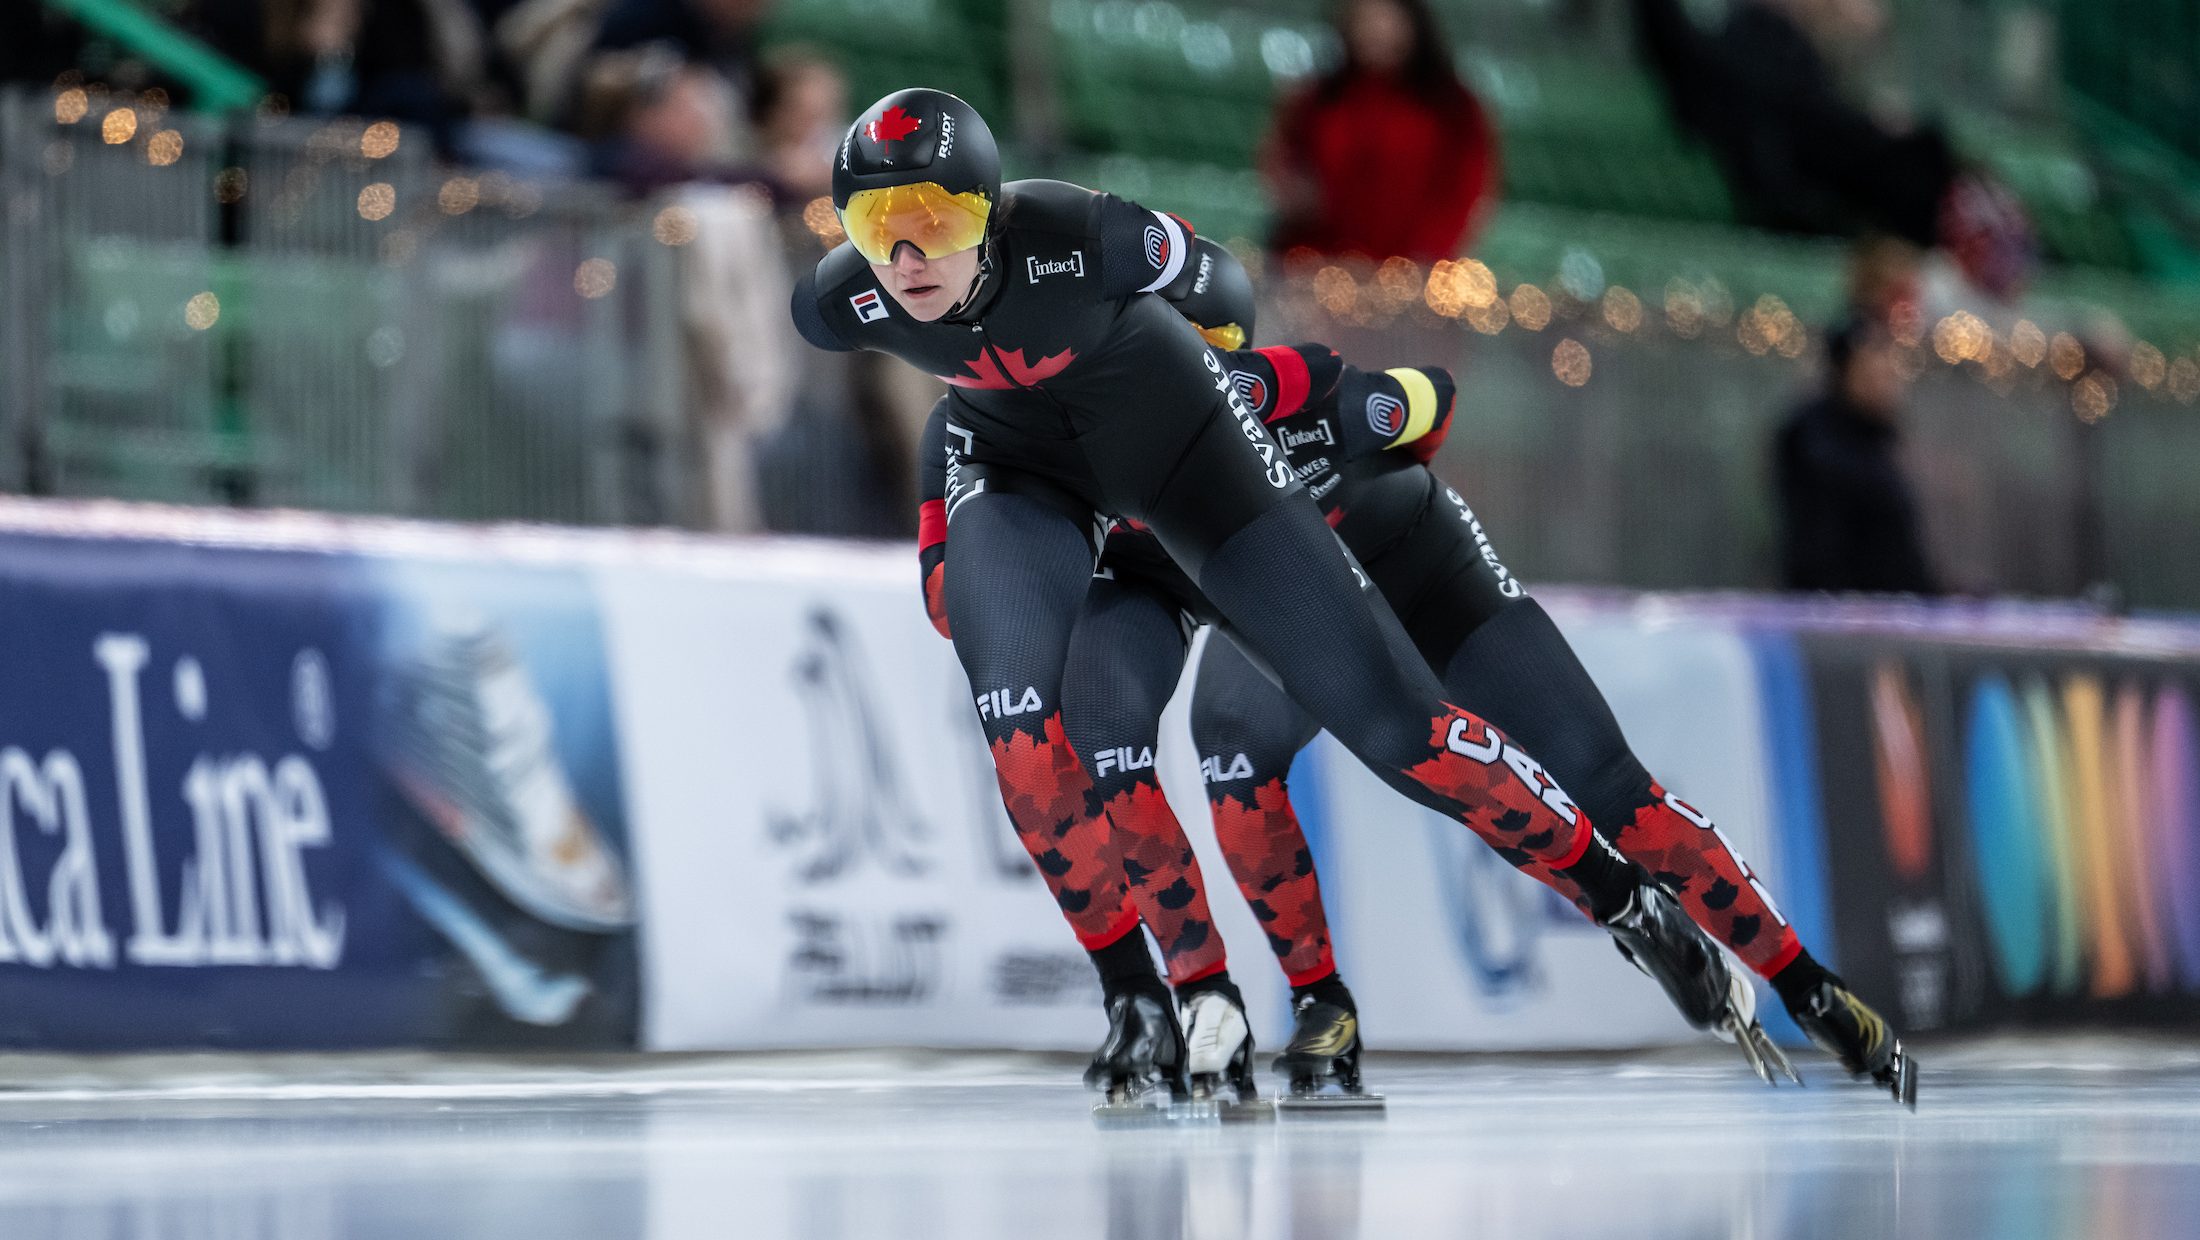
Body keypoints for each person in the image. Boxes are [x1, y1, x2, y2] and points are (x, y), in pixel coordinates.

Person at [793, 88, 1741, 1106]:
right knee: (1023, 726)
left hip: (1189, 459)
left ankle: (1620, 895)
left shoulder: (1083, 235)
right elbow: (950, 595)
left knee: (1397, 725)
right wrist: (973, 568)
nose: (906, 261)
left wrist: (1224, 380)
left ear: (992, 212)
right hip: (1028, 473)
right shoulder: (837, 301)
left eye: (934, 221)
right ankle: (1142, 998)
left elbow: (1224, 292)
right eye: (876, 228)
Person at [922, 237, 1918, 1107]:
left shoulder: (1280, 389)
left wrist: (1372, 418)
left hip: (1425, 572)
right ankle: (1282, 1001)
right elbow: (1009, 591)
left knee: (1606, 782)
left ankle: (1800, 978)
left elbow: (1429, 406)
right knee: (1220, 746)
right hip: (1290, 600)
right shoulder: (1054, 453)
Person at [1261, 0, 1498, 265]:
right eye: (1362, 20)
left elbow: (1466, 190)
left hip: (1410, 272)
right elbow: (1283, 168)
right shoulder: (1321, 99)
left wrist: (1422, 259)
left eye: (1383, 19)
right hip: (1319, 265)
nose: (1372, 31)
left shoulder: (1451, 108)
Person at [1775, 318, 1940, 596]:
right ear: (1845, 371)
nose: (1889, 383)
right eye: (1876, 371)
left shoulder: (1874, 439)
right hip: (1840, 616)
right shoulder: (1816, 441)